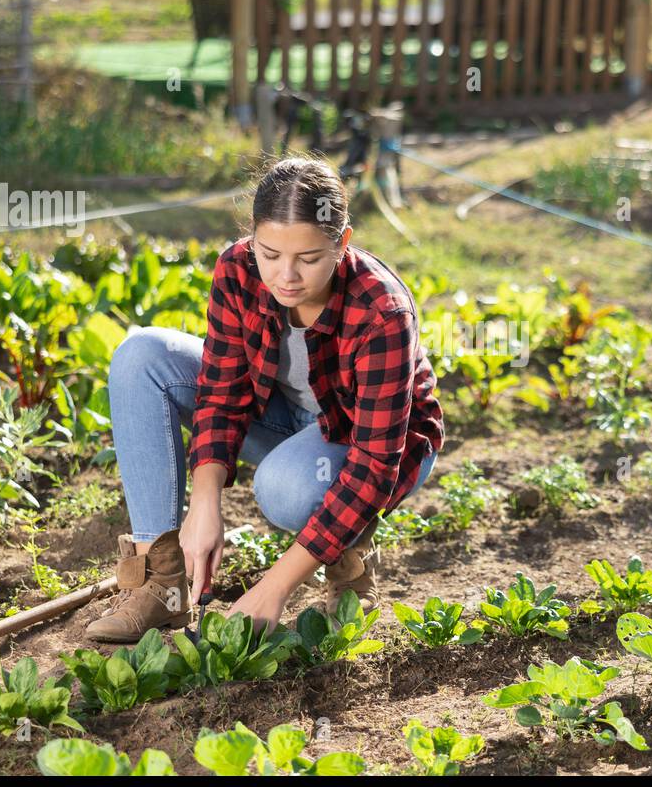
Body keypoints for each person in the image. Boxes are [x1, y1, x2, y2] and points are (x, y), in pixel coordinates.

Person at [85, 155, 444, 643]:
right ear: (252, 236)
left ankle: (350, 565)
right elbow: (222, 391)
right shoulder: (238, 269)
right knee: (140, 357)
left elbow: (374, 467)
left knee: (286, 488)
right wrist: (204, 500)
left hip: (372, 446)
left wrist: (272, 588)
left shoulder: (381, 311)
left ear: (342, 242)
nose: (286, 276)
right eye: (270, 253)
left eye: (309, 259)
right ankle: (159, 583)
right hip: (281, 422)